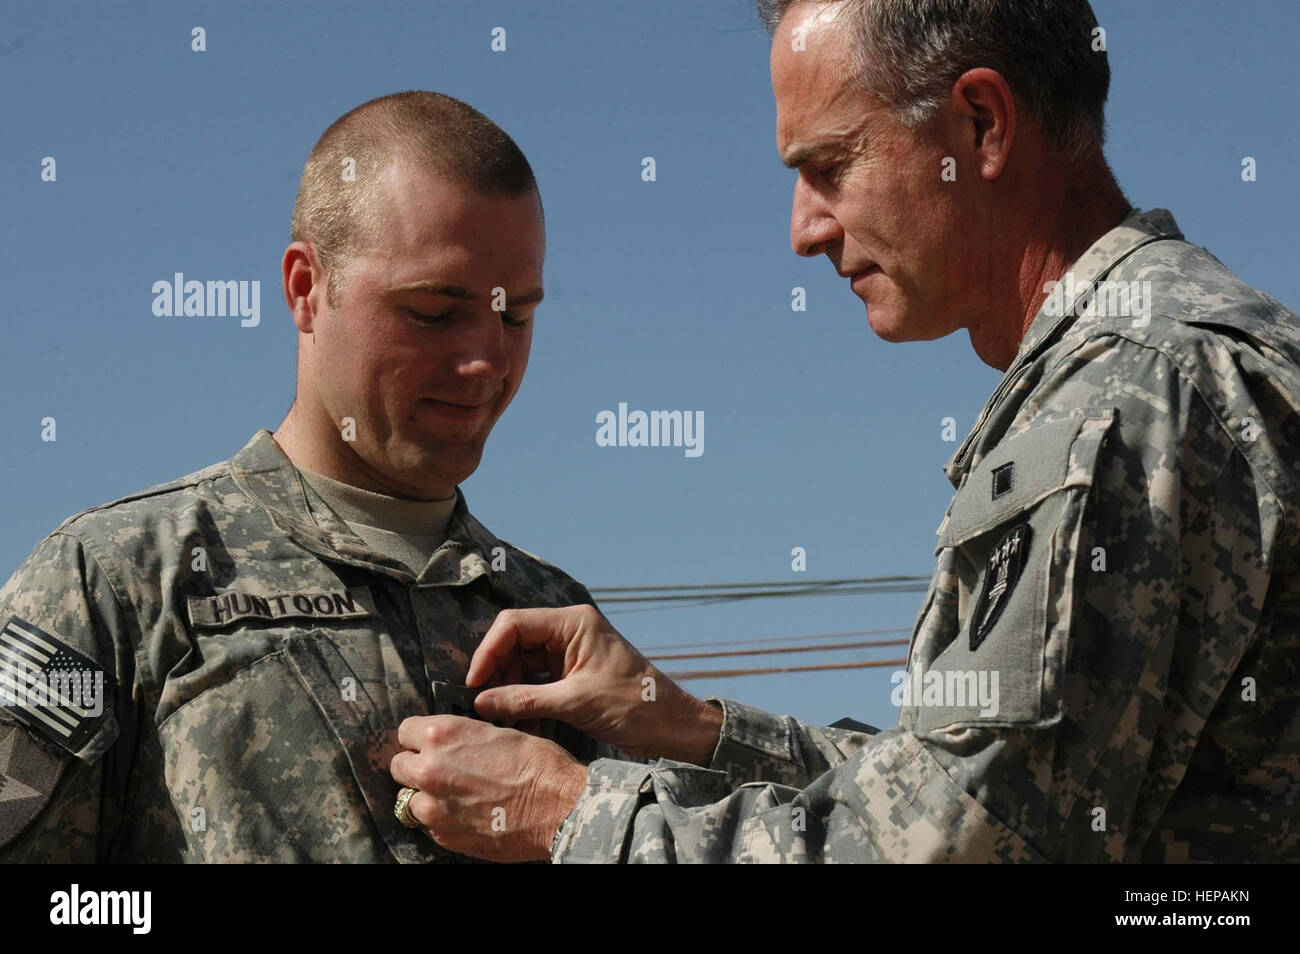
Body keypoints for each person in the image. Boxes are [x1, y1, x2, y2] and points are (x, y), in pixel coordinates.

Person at [390, 0, 1300, 862]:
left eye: (830, 167)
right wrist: (688, 727)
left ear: (981, 125)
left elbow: (950, 852)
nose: (804, 229)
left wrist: (569, 815)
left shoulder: (1126, 396)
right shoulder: (1157, 360)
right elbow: (946, 796)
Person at [0, 90, 605, 862]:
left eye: (516, 315)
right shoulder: (118, 584)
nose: (486, 359)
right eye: (432, 310)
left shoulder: (553, 622)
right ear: (304, 289)